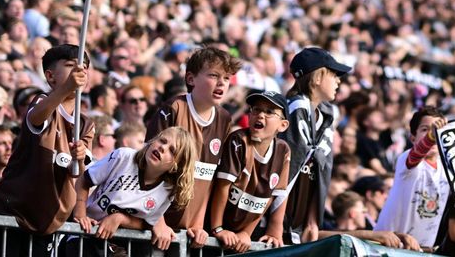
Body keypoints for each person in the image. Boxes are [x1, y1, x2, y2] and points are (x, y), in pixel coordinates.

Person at [0, 43, 94, 257]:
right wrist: (65, 89)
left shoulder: (85, 124)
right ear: (50, 76)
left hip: (49, 218)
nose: (80, 71)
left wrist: (80, 157)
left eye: (84, 67)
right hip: (14, 211)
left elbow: (78, 174)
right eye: (71, 65)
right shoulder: (42, 102)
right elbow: (37, 117)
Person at [147, 46, 239, 246]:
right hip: (155, 224)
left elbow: (208, 176)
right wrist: (157, 220)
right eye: (214, 75)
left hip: (188, 231)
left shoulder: (224, 118)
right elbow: (147, 169)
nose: (222, 82)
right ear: (190, 79)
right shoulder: (173, 109)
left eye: (226, 78)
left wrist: (198, 223)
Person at [373, 106, 455, 252]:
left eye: (437, 131)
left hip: (422, 251)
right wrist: (432, 136)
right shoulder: (407, 159)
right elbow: (417, 153)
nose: (432, 134)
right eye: (424, 129)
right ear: (413, 138)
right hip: (388, 247)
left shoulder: (450, 166)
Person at [71, 127, 197, 257]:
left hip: (119, 244)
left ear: (176, 166)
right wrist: (81, 215)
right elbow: (84, 180)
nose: (162, 148)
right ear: (152, 141)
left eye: (172, 151)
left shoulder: (168, 191)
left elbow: (147, 223)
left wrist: (119, 219)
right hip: (86, 233)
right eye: (162, 141)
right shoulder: (123, 156)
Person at [281, 47, 351, 244]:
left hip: (300, 220)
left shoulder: (327, 114)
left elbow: (322, 170)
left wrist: (312, 221)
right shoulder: (297, 108)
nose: (339, 80)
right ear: (318, 77)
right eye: (334, 75)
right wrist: (276, 224)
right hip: (279, 219)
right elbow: (289, 169)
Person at [209, 90, 291, 252]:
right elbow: (222, 188)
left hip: (241, 230)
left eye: (269, 112)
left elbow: (267, 199)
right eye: (256, 109)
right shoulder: (238, 141)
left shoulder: (283, 151)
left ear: (283, 125)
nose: (260, 115)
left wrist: (246, 232)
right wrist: (217, 228)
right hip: (212, 226)